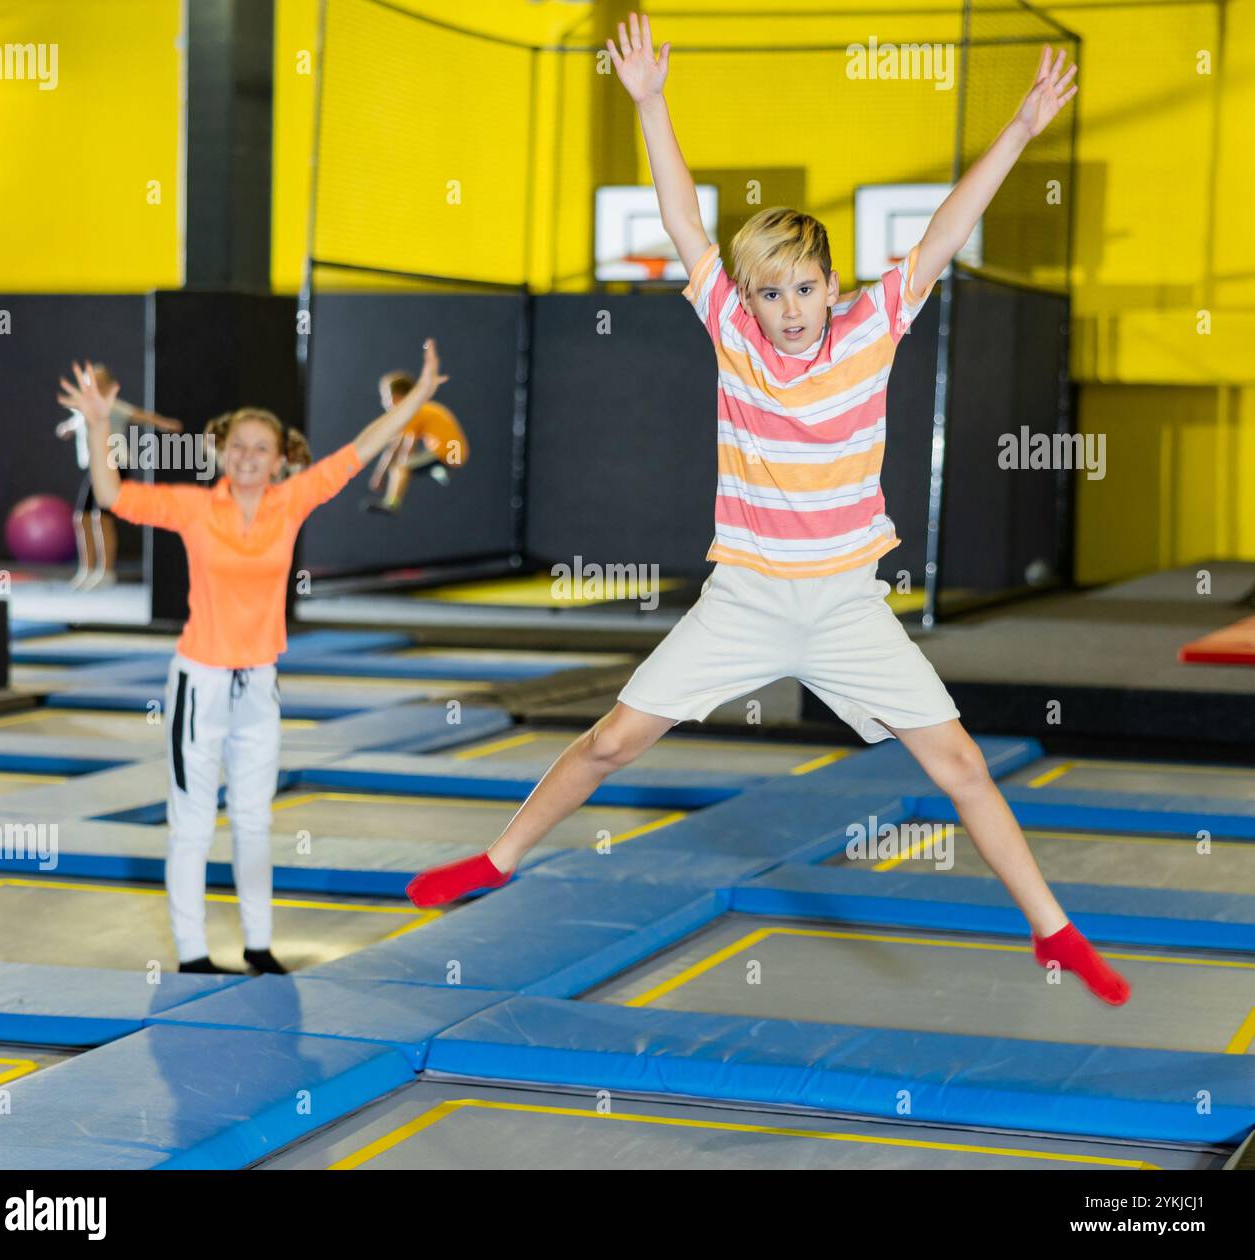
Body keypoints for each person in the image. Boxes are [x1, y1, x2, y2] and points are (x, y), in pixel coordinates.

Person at [407, 17, 1124, 1007]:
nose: (787, 309)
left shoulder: (876, 324)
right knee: (612, 740)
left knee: (958, 762)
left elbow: (946, 230)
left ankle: (1051, 929)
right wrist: (651, 103)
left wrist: (1016, 131)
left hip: (842, 602)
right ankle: (497, 859)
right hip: (744, 596)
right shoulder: (733, 336)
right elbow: (682, 224)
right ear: (744, 300)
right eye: (768, 293)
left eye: (802, 289)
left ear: (834, 286)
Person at [56, 342, 448, 974]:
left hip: (259, 684)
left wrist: (420, 398)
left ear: (279, 459)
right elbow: (111, 492)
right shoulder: (191, 506)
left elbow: (363, 448)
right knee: (190, 822)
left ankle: (259, 944)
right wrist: (100, 423)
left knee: (252, 819)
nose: (247, 457)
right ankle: (191, 955)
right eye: (237, 446)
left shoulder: (291, 501)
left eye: (260, 449)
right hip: (200, 683)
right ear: (219, 450)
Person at [55, 363, 183, 590]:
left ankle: (107, 572)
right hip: (95, 468)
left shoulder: (113, 406)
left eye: (99, 381)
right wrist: (65, 429)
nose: (94, 385)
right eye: (89, 381)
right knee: (82, 518)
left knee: (101, 518)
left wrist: (165, 423)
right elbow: (72, 424)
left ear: (110, 386)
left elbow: (141, 416)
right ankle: (87, 569)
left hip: (115, 466)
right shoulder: (84, 408)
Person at [362, 370, 468, 513]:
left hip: (446, 452)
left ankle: (392, 503)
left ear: (398, 397)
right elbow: (407, 445)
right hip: (455, 452)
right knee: (412, 463)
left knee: (400, 467)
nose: (385, 402)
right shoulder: (421, 409)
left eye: (387, 397)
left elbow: (398, 447)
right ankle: (440, 469)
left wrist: (381, 475)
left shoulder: (410, 412)